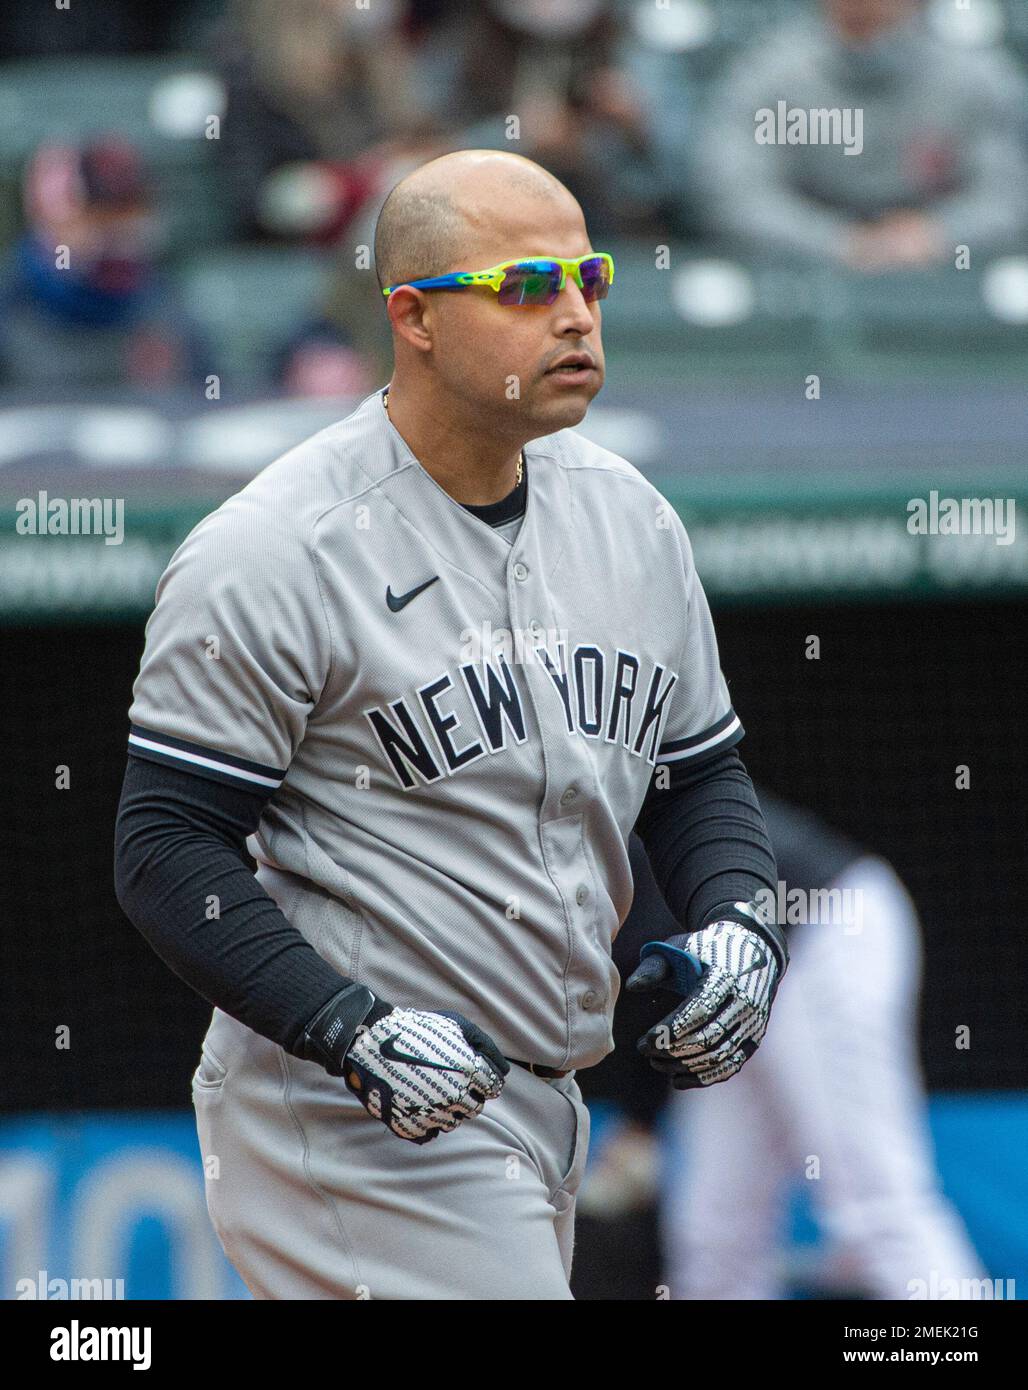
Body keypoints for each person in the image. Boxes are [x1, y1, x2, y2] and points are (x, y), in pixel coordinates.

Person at [114, 148, 786, 1301]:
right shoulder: (273, 547)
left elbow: (698, 775)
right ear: (412, 318)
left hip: (540, 1096)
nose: (575, 315)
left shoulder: (631, 518)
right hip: (347, 1103)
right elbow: (166, 847)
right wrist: (344, 1024)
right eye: (529, 287)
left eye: (591, 280)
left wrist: (739, 918)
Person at [588, 794, 984, 1299]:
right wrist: (640, 1120)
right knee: (715, 1231)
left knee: (873, 1201)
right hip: (723, 982)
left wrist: (639, 1119)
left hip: (819, 927)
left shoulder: (598, 796)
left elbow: (646, 965)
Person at [692, 0, 1028, 268]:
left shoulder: (975, 78)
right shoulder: (770, 76)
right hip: (802, 277)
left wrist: (939, 234)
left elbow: (1008, 197)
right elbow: (734, 197)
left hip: (943, 275)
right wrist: (839, 242)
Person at [0, 138, 207, 388]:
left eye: (127, 225)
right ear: (48, 225)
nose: (115, 245)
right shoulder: (11, 312)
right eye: (95, 225)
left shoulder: (166, 309)